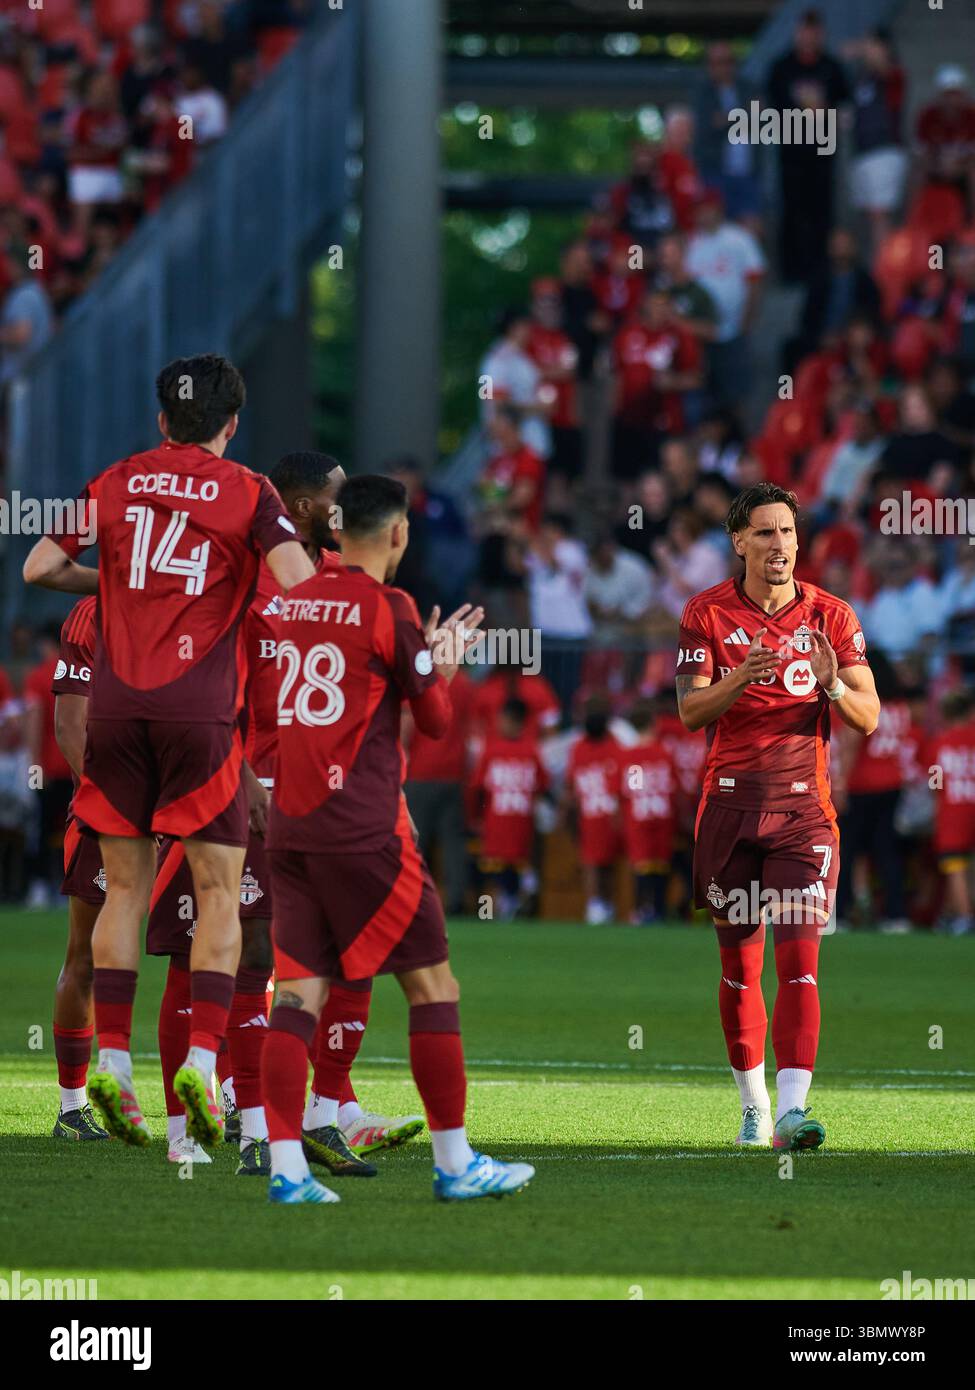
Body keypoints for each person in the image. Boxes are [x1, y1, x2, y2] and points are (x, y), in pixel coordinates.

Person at [23, 353, 315, 1149]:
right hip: (198, 714)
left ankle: (110, 1064)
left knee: (123, 888)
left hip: (117, 711)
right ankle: (200, 1059)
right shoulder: (249, 490)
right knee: (220, 892)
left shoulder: (116, 479)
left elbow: (40, 566)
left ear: (161, 420)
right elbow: (297, 587)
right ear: (230, 423)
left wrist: (118, 583)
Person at [261, 473, 534, 1203]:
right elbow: (437, 722)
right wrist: (439, 664)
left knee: (295, 996)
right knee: (432, 985)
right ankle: (455, 1164)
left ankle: (287, 1171)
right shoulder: (389, 605)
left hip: (289, 827)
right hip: (363, 829)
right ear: (398, 535)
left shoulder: (292, 601)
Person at [676, 482, 879, 1151]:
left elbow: (869, 716)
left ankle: (793, 1112)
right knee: (739, 968)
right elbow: (689, 712)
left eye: (786, 532)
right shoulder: (704, 614)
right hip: (729, 808)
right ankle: (753, 1107)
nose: (778, 546)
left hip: (802, 815)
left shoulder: (832, 616)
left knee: (799, 961)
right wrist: (743, 675)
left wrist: (828, 684)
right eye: (763, 533)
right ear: (738, 542)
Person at [49, 596, 109, 1141]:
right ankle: (72, 1105)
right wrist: (119, 807)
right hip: (110, 814)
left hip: (188, 807)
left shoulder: (198, 595)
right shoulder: (92, 614)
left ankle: (233, 1097)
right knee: (86, 957)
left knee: (222, 949)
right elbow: (70, 727)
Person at [767, 9, 849, 283]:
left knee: (822, 212)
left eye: (814, 32)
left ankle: (820, 273)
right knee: (792, 212)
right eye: (804, 32)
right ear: (797, 33)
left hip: (823, 155)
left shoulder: (831, 67)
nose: (809, 38)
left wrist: (826, 113)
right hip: (791, 154)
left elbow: (846, 109)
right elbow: (771, 110)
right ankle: (790, 272)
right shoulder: (782, 67)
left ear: (821, 34)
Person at [471, 697, 549, 924]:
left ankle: (510, 904)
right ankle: (504, 906)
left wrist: (476, 815)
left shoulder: (495, 751)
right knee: (501, 867)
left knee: (507, 866)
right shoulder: (530, 751)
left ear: (514, 722)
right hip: (505, 821)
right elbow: (543, 785)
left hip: (508, 821)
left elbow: (477, 787)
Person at [685, 189, 765, 408]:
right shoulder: (690, 242)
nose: (704, 214)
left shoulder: (739, 238)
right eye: (699, 210)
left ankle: (739, 439)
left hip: (734, 329)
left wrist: (748, 321)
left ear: (719, 210)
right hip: (698, 331)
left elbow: (755, 280)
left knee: (736, 394)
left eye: (708, 209)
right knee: (702, 393)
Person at [845, 29, 907, 254]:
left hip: (885, 152)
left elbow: (884, 68)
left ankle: (886, 271)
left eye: (872, 45)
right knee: (869, 215)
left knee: (880, 214)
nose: (867, 50)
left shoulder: (894, 73)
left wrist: (865, 49)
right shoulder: (862, 78)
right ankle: (880, 264)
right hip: (862, 152)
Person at [617, 699, 677, 925]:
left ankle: (641, 911)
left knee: (640, 867)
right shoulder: (664, 753)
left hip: (638, 815)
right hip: (662, 814)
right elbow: (673, 787)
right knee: (661, 865)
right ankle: (659, 910)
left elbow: (625, 791)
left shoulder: (627, 756)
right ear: (653, 724)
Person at [564, 699, 621, 925]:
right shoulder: (598, 746)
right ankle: (597, 905)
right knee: (594, 862)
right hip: (594, 810)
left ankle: (602, 905)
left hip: (602, 810)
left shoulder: (589, 746)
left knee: (601, 862)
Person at [926, 689, 975, 936]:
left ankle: (965, 918)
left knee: (955, 864)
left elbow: (935, 784)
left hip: (953, 811)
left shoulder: (940, 743)